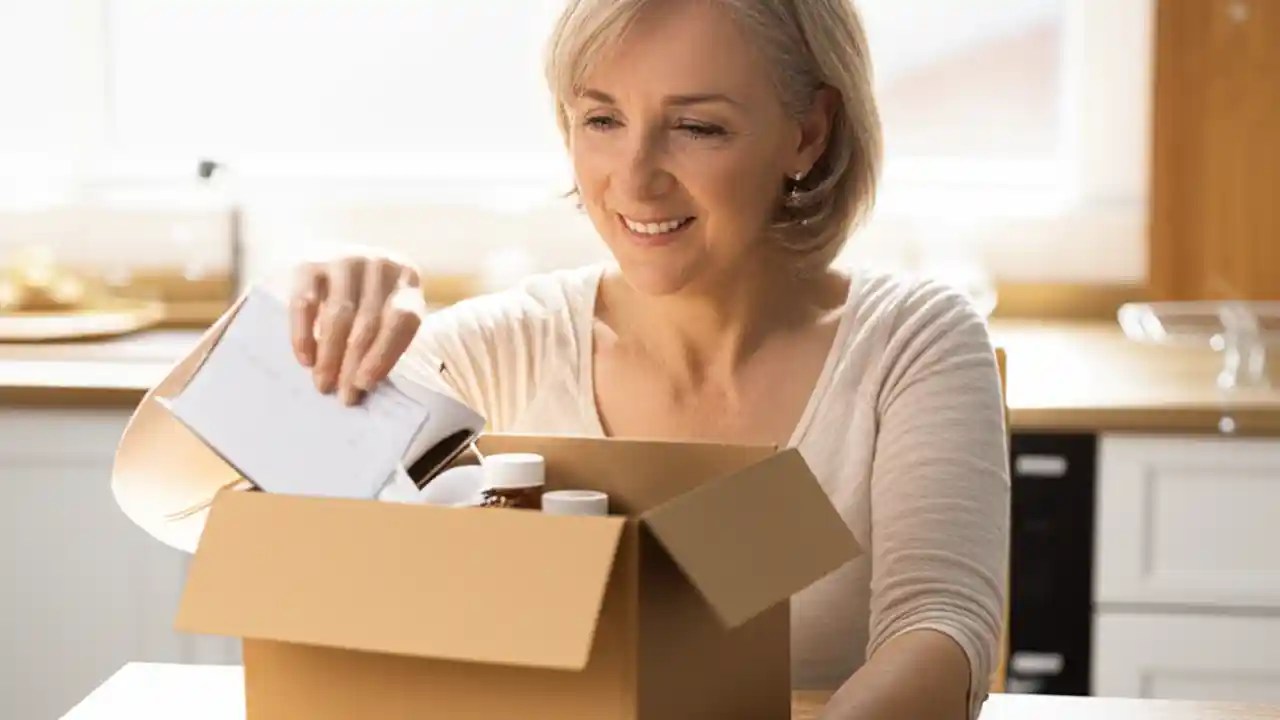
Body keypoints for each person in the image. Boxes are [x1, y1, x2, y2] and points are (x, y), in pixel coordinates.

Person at [286, 1, 1008, 718]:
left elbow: (941, 633)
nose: (635, 178)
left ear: (809, 134)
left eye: (696, 127)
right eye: (602, 120)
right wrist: (311, 312)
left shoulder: (912, 342)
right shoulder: (500, 351)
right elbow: (220, 513)